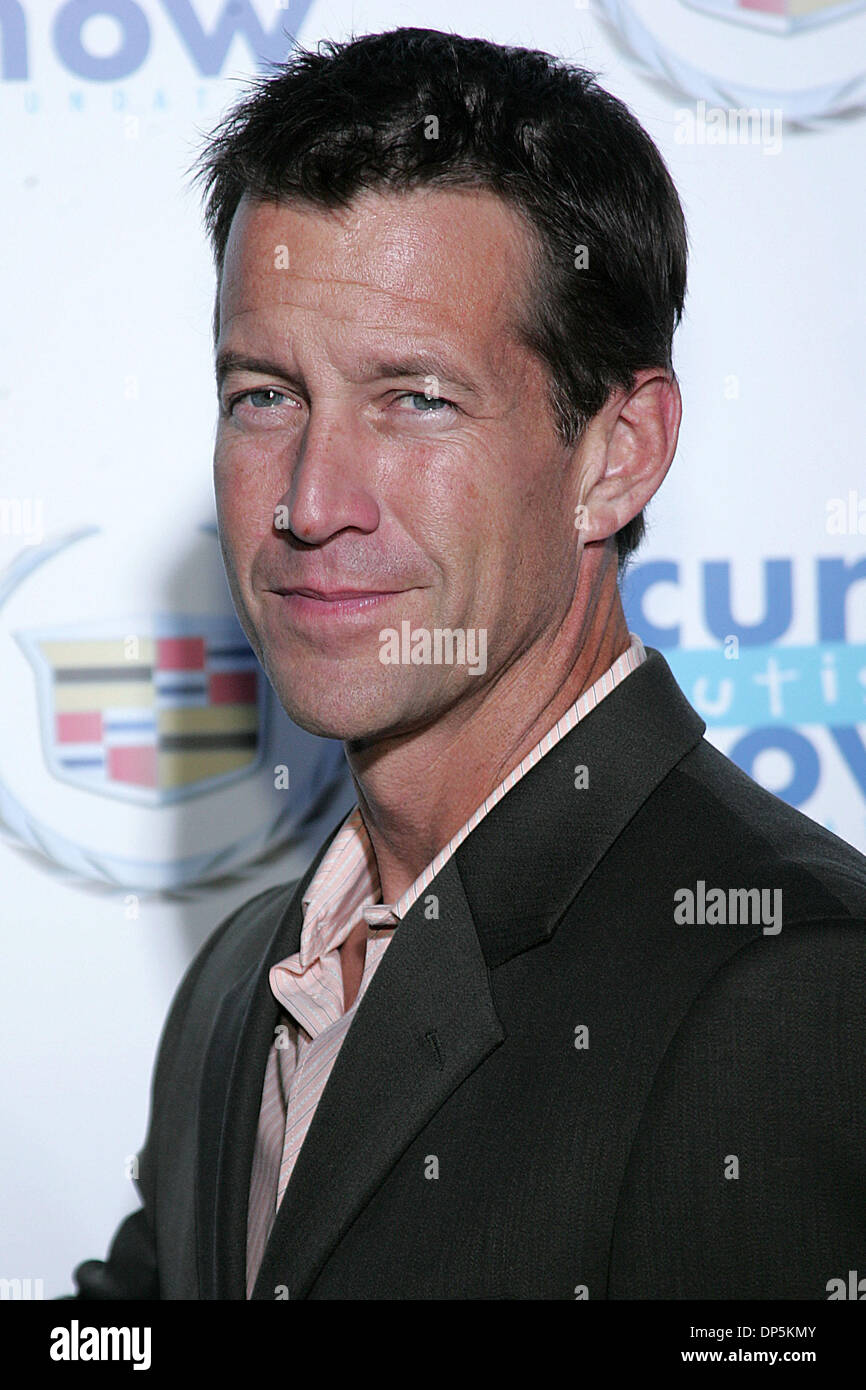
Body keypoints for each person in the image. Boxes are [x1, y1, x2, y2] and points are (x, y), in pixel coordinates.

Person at [68, 26, 866, 1301]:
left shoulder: (795, 990)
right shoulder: (240, 982)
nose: (311, 500)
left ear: (616, 453)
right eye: (264, 393)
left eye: (415, 399)